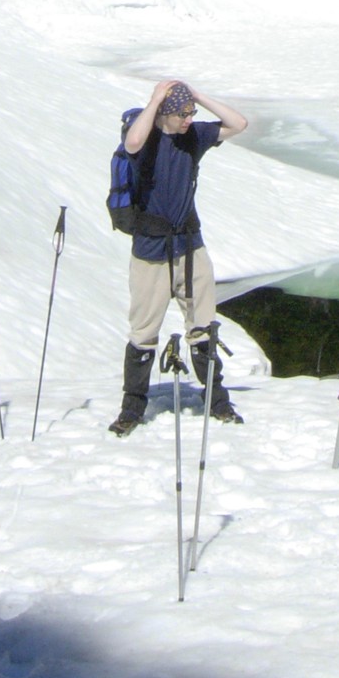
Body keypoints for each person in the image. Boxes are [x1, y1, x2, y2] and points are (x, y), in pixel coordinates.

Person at [109, 78, 248, 436]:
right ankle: (132, 408)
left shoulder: (193, 137)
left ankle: (217, 401)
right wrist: (156, 99)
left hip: (191, 247)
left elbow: (239, 124)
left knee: (202, 326)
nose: (189, 118)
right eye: (183, 113)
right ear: (165, 114)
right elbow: (133, 142)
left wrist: (198, 94)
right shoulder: (146, 143)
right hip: (150, 252)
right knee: (144, 332)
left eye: (192, 113)